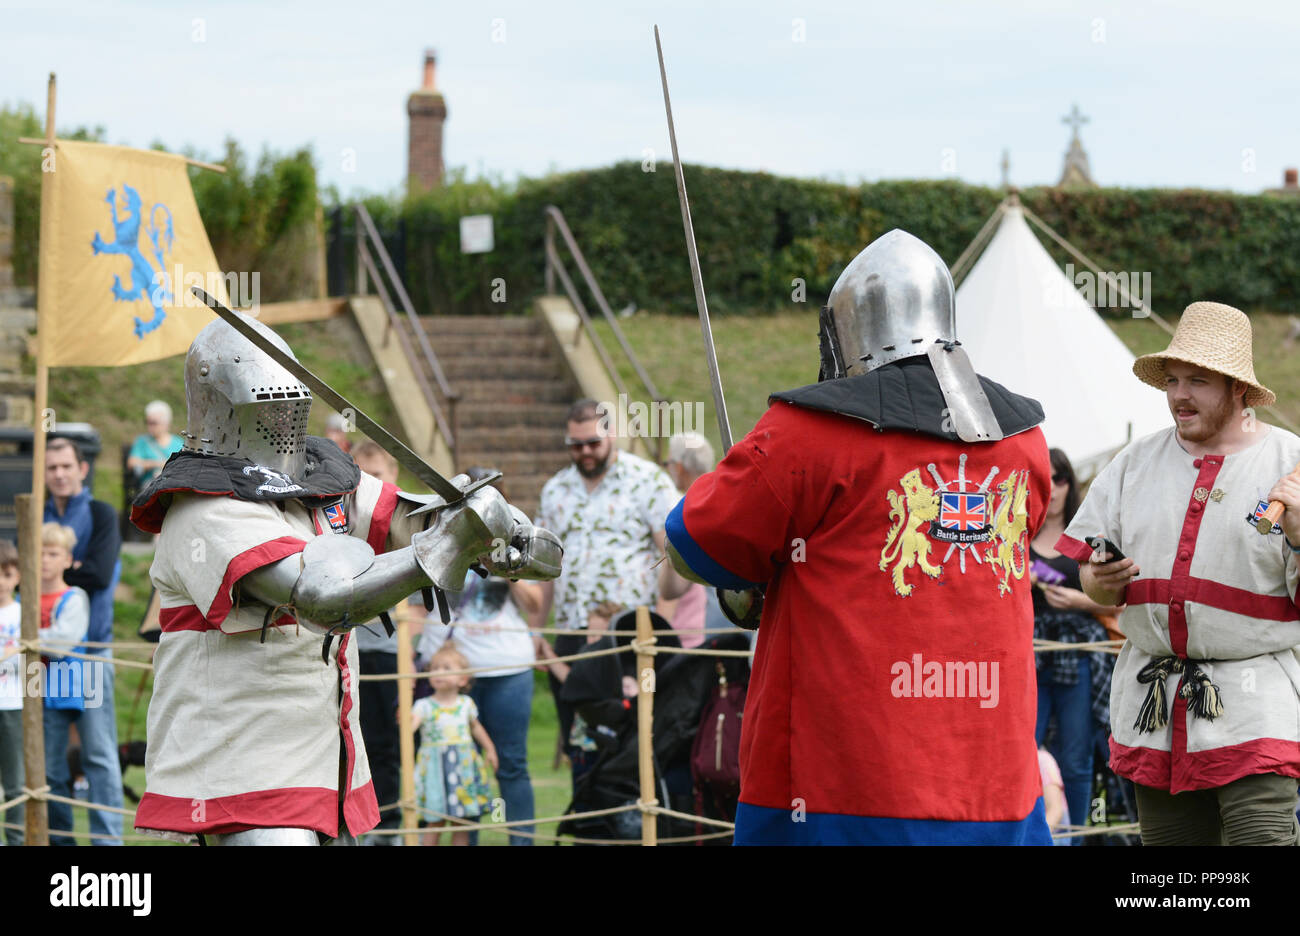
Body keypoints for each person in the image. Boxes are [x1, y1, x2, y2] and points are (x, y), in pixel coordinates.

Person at [665, 230, 1053, 844]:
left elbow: (692, 544)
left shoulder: (807, 432)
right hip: (996, 793)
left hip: (840, 797)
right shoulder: (1022, 442)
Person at [129, 312, 560, 845]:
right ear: (224, 409)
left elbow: (412, 520)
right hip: (238, 765)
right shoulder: (202, 509)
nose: (285, 419)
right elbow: (322, 599)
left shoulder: (315, 482)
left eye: (292, 404)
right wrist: (451, 542)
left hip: (321, 761)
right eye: (269, 407)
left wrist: (501, 533)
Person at [1059, 301, 1300, 846]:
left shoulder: (1288, 465)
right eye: (1172, 380)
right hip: (1156, 712)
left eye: (1198, 381)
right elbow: (1091, 581)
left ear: (1238, 388)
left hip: (1254, 707)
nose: (1178, 395)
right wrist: (1104, 580)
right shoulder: (1134, 463)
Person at [534, 400, 678, 789]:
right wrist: (535, 632)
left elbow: (672, 553)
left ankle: (632, 825)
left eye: (593, 443)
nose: (584, 452)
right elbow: (544, 567)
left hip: (628, 634)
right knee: (580, 746)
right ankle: (588, 823)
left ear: (612, 435)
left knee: (631, 742)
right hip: (573, 634)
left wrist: (661, 624)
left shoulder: (647, 480)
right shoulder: (555, 489)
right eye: (575, 444)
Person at [418, 465, 542, 846]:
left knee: (510, 763)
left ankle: (520, 842)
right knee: (455, 761)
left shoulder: (518, 537)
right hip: (449, 670)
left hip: (507, 668)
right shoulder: (434, 535)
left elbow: (535, 605)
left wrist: (504, 561)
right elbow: (416, 602)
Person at [1029, 447, 1117, 840]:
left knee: (1077, 758)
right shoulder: (1020, 532)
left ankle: (1074, 839)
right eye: (1046, 478)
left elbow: (1121, 592)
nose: (1055, 487)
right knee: (1026, 752)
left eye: (1061, 477)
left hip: (1080, 649)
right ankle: (1032, 836)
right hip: (1030, 649)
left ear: (1071, 482)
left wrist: (1082, 600)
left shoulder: (1090, 534)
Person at [43, 436, 123, 845]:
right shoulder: (33, 516)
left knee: (97, 756)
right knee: (46, 763)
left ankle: (107, 844)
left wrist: (56, 575)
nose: (58, 474)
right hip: (40, 657)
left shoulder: (100, 514)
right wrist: (71, 567)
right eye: (51, 467)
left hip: (89, 654)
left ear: (81, 469)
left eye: (65, 466)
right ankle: (58, 843)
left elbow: (99, 574)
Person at [349, 439, 403, 844]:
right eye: (361, 478)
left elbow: (417, 609)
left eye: (378, 476)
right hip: (344, 654)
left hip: (388, 653)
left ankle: (387, 826)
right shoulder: (338, 523)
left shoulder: (404, 527)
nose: (369, 486)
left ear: (394, 476)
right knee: (350, 740)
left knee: (385, 743)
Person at [37, 523, 93, 846]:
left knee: (52, 773)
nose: (45, 559)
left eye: (53, 553)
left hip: (56, 694)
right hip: (21, 693)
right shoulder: (19, 597)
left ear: (68, 558)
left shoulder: (74, 598)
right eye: (40, 553)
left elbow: (61, 641)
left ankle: (62, 844)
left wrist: (22, 637)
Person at [412, 643, 498, 846]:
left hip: (463, 769)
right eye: (434, 668)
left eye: (446, 668)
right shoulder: (423, 706)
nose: (438, 673)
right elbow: (410, 727)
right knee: (435, 821)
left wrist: (490, 749)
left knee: (461, 823)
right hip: (436, 771)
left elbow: (475, 727)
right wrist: (406, 721)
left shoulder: (466, 704)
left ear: (463, 679)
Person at [657, 432, 735, 649]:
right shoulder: (730, 500)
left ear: (678, 467)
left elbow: (672, 590)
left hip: (706, 634)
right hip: (738, 623)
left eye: (668, 462)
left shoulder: (685, 514)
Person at [0, 541, 23, 845]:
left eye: (6, 574)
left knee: (16, 782)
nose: (0, 582)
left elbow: (30, 661)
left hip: (14, 703)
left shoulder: (23, 614)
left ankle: (16, 840)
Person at [126, 401, 184, 486]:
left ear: (166, 423)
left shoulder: (178, 443)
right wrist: (157, 464)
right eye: (148, 422)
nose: (149, 427)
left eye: (154, 423)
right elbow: (132, 463)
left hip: (173, 485)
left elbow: (184, 466)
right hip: (149, 486)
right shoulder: (142, 441)